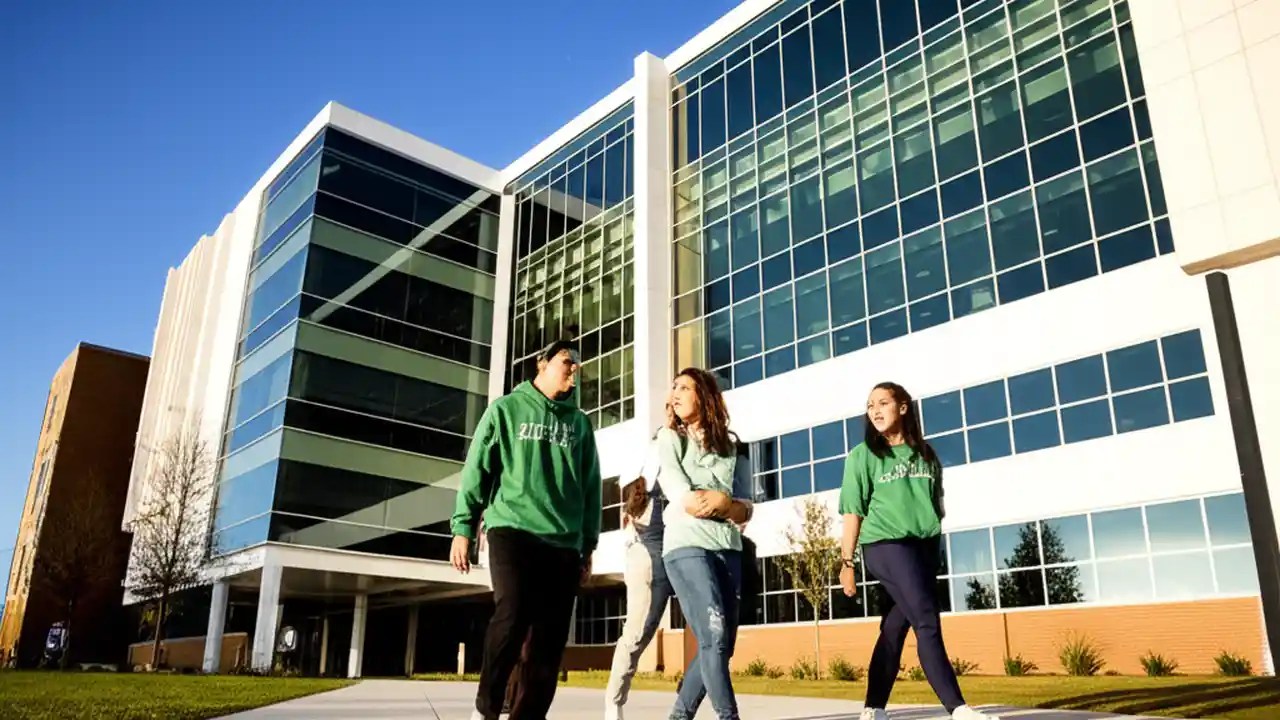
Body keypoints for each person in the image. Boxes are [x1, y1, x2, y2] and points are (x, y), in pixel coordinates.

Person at [450, 339, 602, 720]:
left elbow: (589, 489)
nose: (574, 370)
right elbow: (477, 470)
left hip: (563, 542)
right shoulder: (506, 410)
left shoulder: (580, 425)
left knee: (547, 645)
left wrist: (588, 546)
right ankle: (486, 708)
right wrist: (463, 527)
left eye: (578, 365)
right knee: (513, 611)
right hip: (511, 529)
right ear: (542, 364)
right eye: (568, 361)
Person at [839, 382, 1001, 720]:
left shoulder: (926, 454)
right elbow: (852, 511)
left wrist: (935, 554)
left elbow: (935, 507)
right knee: (927, 621)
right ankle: (958, 709)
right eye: (870, 406)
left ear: (902, 407)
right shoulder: (863, 455)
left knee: (895, 627)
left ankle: (873, 709)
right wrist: (847, 561)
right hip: (886, 545)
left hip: (924, 549)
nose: (875, 410)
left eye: (883, 402)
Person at [655, 368, 754, 720]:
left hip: (728, 547)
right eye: (673, 387)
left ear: (705, 397)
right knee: (713, 632)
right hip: (686, 545)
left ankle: (679, 716)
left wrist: (727, 505)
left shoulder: (732, 445)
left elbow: (746, 508)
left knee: (720, 645)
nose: (675, 393)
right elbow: (681, 494)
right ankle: (729, 716)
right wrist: (715, 502)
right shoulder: (669, 439)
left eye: (685, 387)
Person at [603, 430, 672, 720]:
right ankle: (614, 701)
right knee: (639, 631)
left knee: (711, 630)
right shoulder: (652, 453)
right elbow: (632, 502)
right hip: (646, 549)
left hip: (678, 546)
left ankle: (689, 704)